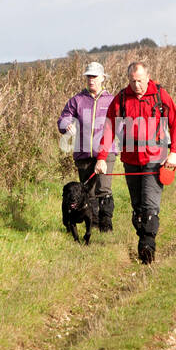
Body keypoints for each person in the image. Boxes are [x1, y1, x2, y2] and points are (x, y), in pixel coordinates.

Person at [94, 61, 176, 264]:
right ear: (128, 80)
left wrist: (174, 152)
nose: (137, 86)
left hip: (155, 161)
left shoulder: (160, 96)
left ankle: (146, 248)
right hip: (131, 161)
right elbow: (108, 129)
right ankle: (144, 239)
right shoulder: (122, 98)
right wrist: (101, 157)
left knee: (150, 207)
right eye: (133, 81)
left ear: (147, 77)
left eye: (140, 81)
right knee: (137, 210)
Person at [57, 62, 116, 231]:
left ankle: (106, 225)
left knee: (103, 188)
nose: (91, 80)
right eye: (88, 76)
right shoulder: (77, 100)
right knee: (87, 192)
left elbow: (119, 124)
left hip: (107, 152)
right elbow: (64, 118)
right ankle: (94, 224)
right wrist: (66, 124)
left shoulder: (111, 100)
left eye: (94, 76)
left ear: (103, 78)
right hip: (83, 153)